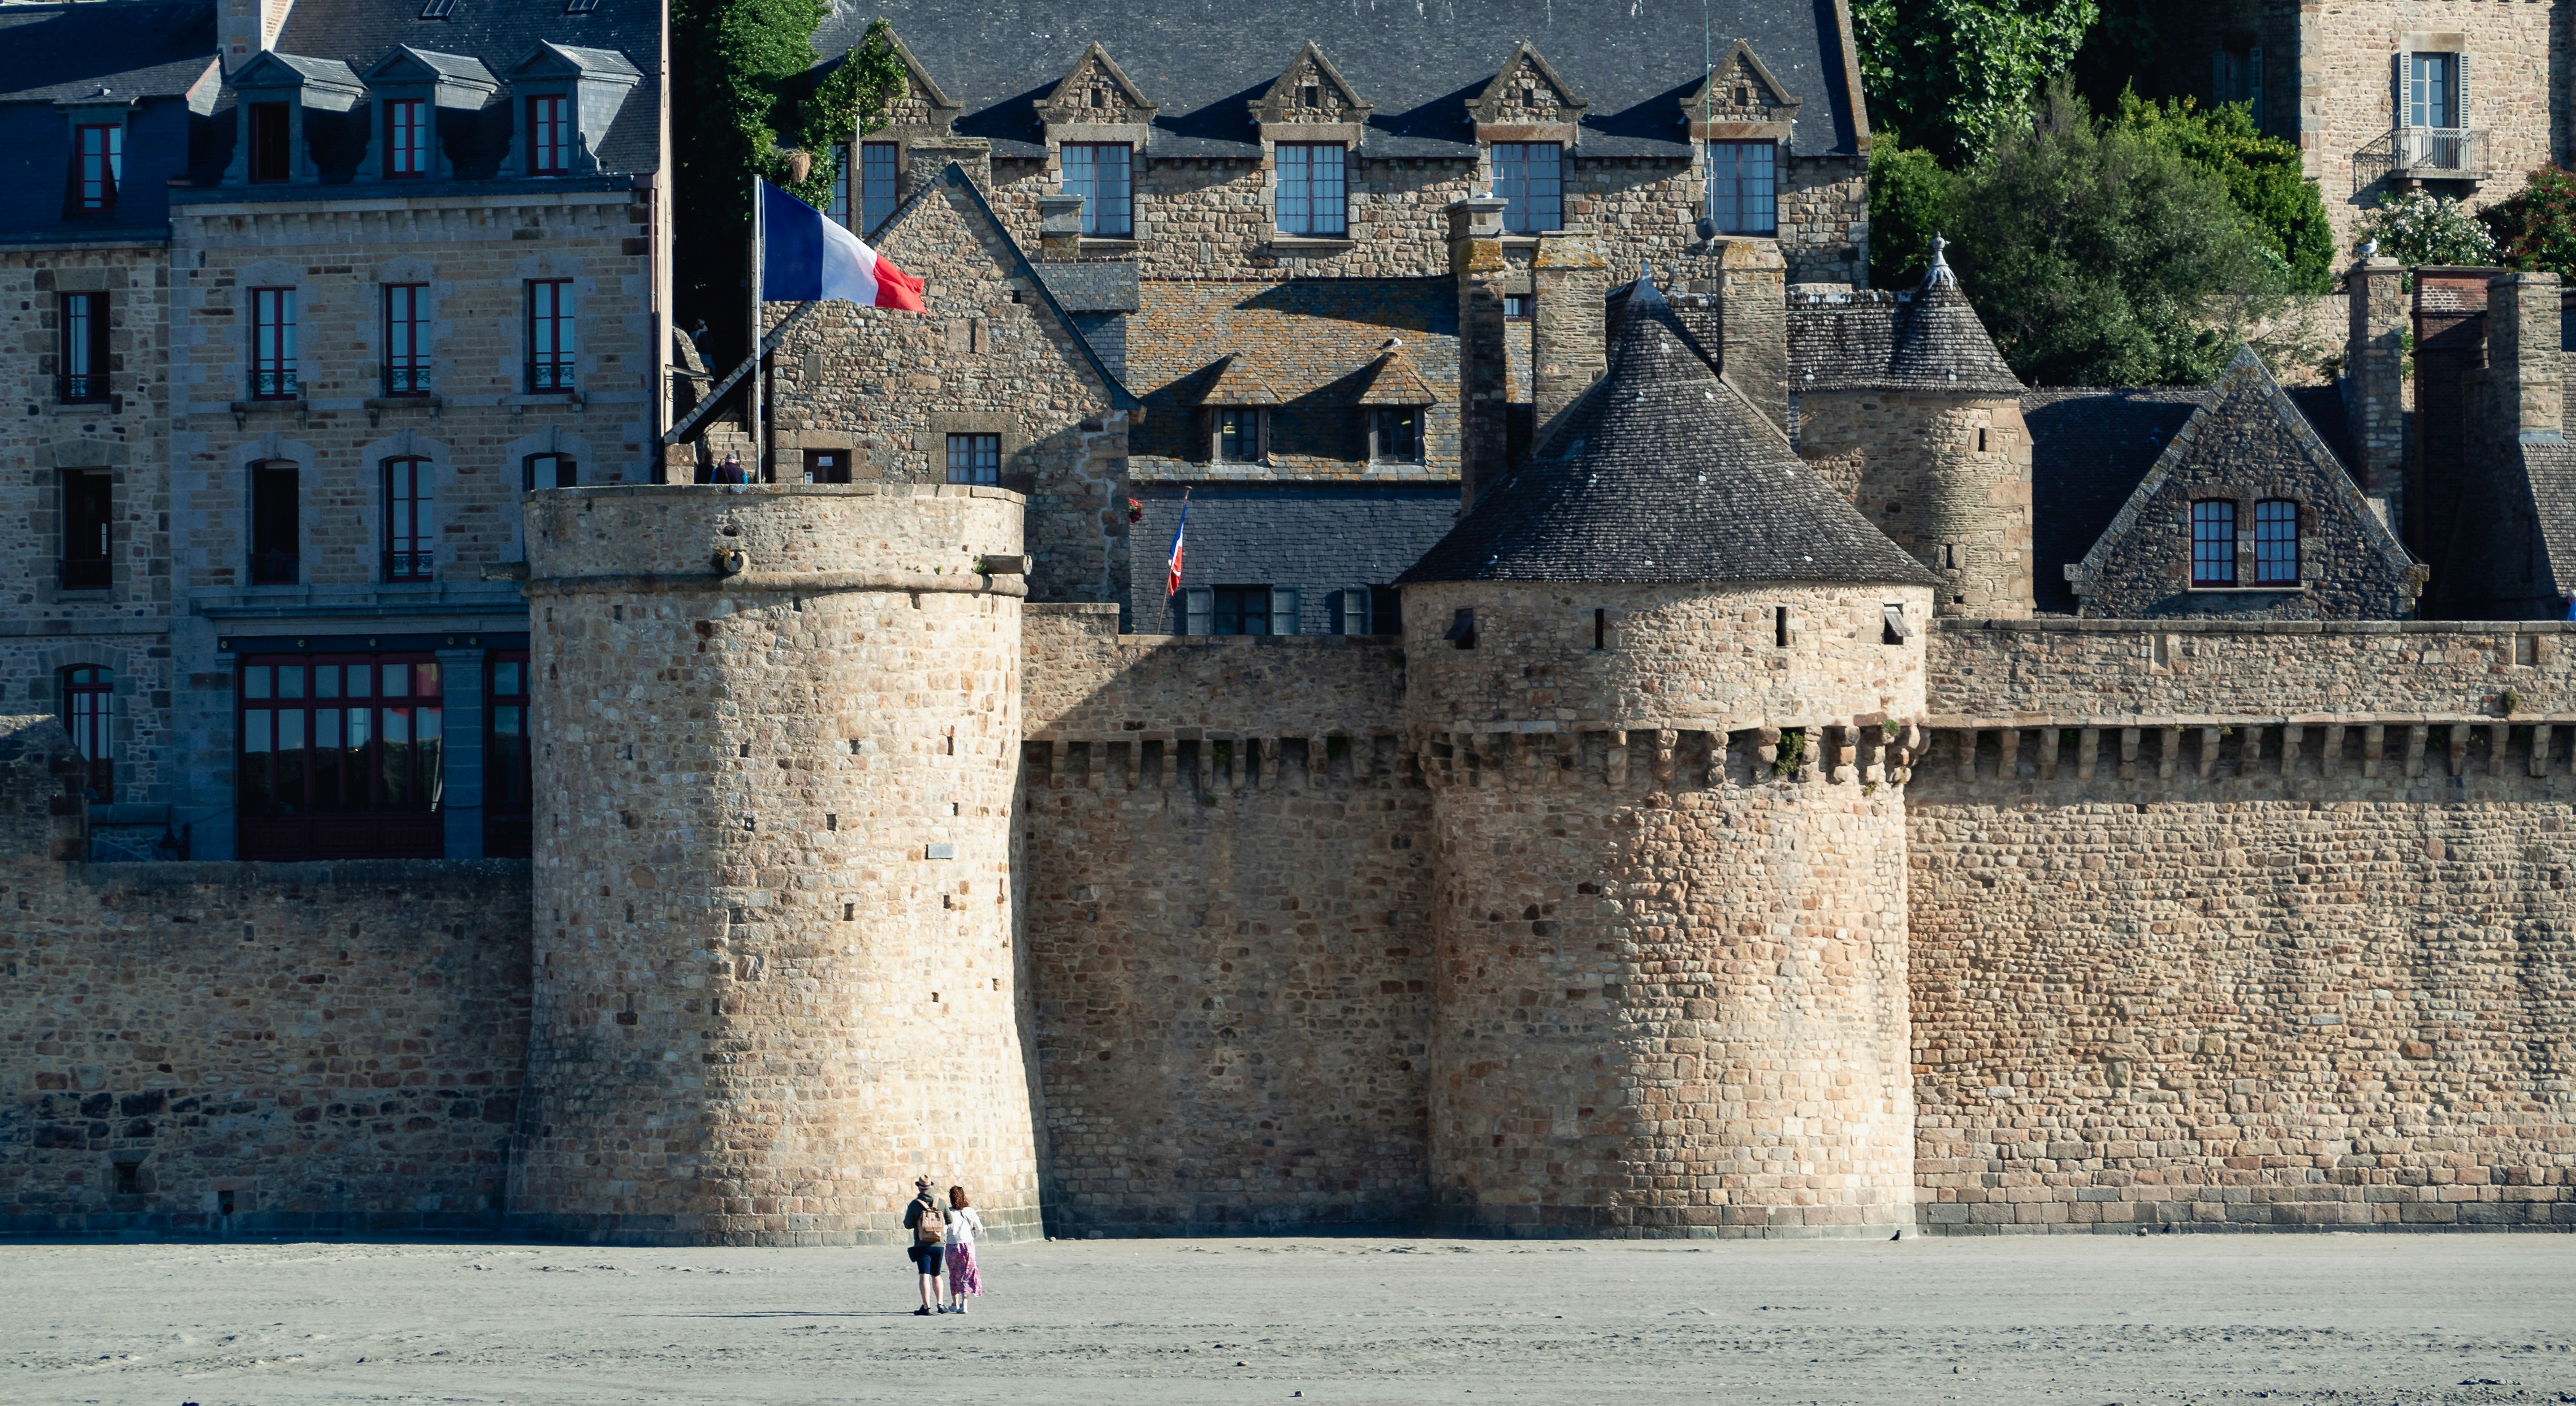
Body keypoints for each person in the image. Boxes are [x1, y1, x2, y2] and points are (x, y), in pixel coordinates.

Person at [901, 1176, 948, 1316]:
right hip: (939, 1244)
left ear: (919, 1187)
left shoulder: (915, 1205)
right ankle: (941, 1304)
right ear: (931, 1187)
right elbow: (949, 1219)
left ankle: (926, 1307)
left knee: (924, 1275)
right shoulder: (941, 1202)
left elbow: (908, 1224)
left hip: (922, 1245)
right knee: (937, 1275)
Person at [940, 1184, 986, 1314]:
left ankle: (955, 1304)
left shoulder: (947, 1212)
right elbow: (979, 1228)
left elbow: (944, 1230)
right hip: (967, 1245)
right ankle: (964, 1305)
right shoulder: (969, 1211)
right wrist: (973, 1236)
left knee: (954, 1274)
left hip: (952, 1246)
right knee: (967, 1274)